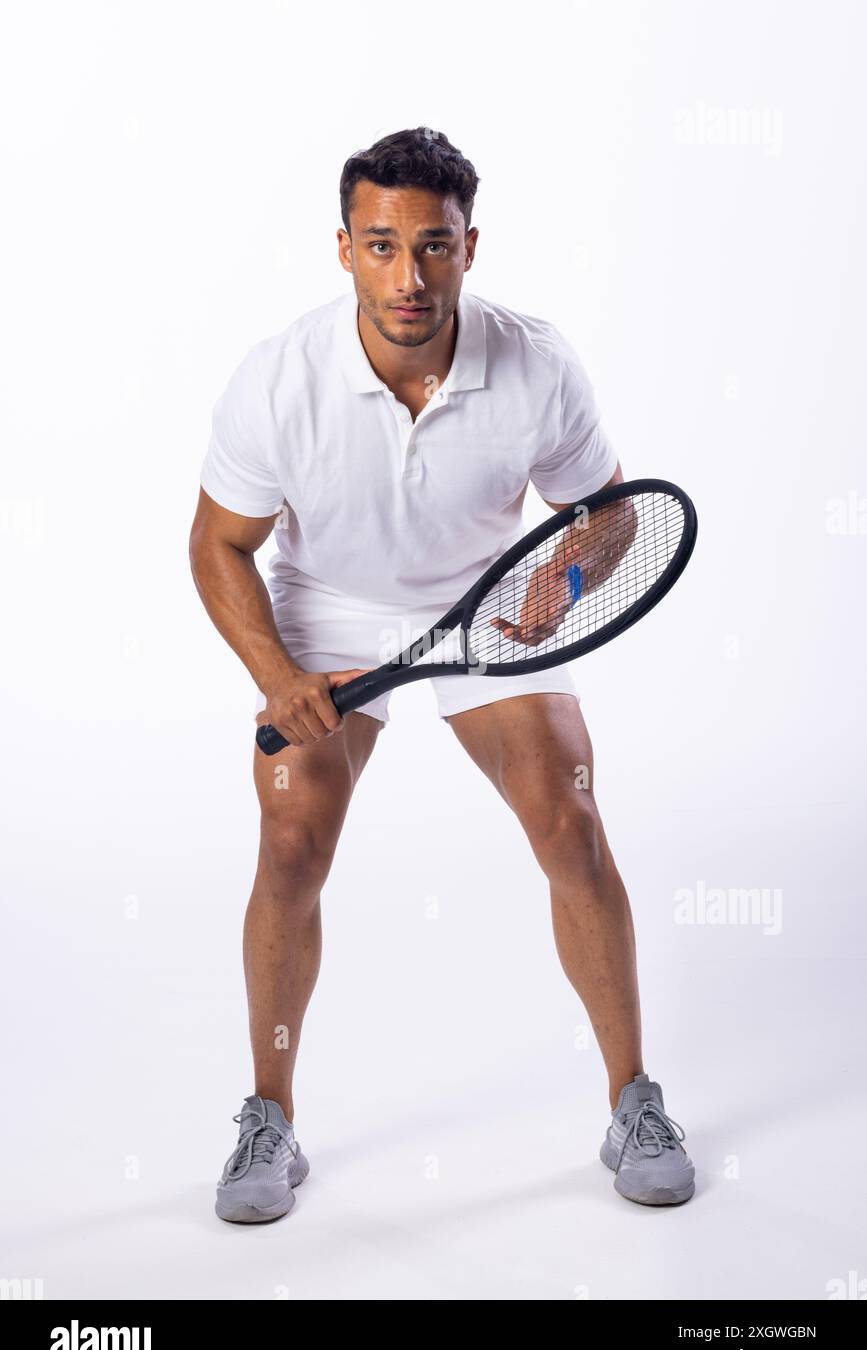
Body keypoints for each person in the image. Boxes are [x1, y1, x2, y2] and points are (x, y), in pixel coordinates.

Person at [189, 127, 695, 1223]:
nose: (408, 276)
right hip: (327, 601)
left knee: (569, 819)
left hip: (486, 596)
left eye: (433, 245)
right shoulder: (277, 380)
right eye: (381, 246)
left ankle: (633, 1102)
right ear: (344, 249)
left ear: (470, 246)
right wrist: (278, 677)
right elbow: (217, 545)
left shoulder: (536, 364)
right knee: (290, 838)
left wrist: (556, 588)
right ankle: (268, 1116)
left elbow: (609, 518)